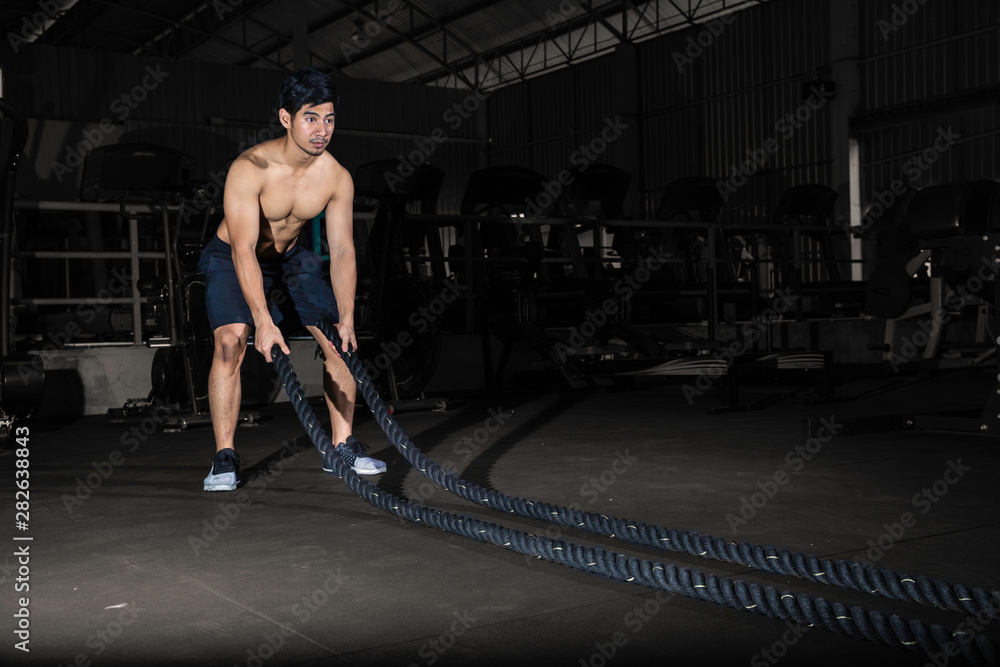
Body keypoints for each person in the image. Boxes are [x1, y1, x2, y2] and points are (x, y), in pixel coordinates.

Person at [199, 67, 385, 492]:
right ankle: (224, 456)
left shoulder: (336, 177)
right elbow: (244, 248)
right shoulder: (250, 168)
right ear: (286, 118)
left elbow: (342, 251)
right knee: (231, 342)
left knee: (339, 341)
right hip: (233, 255)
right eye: (311, 118)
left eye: (330, 119)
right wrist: (263, 321)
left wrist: (347, 317)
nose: (322, 130)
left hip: (290, 258)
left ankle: (342, 446)